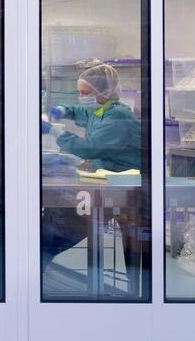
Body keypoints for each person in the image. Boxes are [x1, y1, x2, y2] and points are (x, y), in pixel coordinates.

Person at [41, 62, 144, 277]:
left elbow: (91, 147)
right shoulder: (101, 110)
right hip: (104, 180)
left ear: (104, 91)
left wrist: (55, 131)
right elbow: (83, 111)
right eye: (79, 92)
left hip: (123, 185)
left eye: (86, 92)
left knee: (68, 216)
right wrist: (64, 110)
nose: (82, 97)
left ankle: (41, 254)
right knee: (57, 210)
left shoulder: (118, 117)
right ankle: (40, 254)